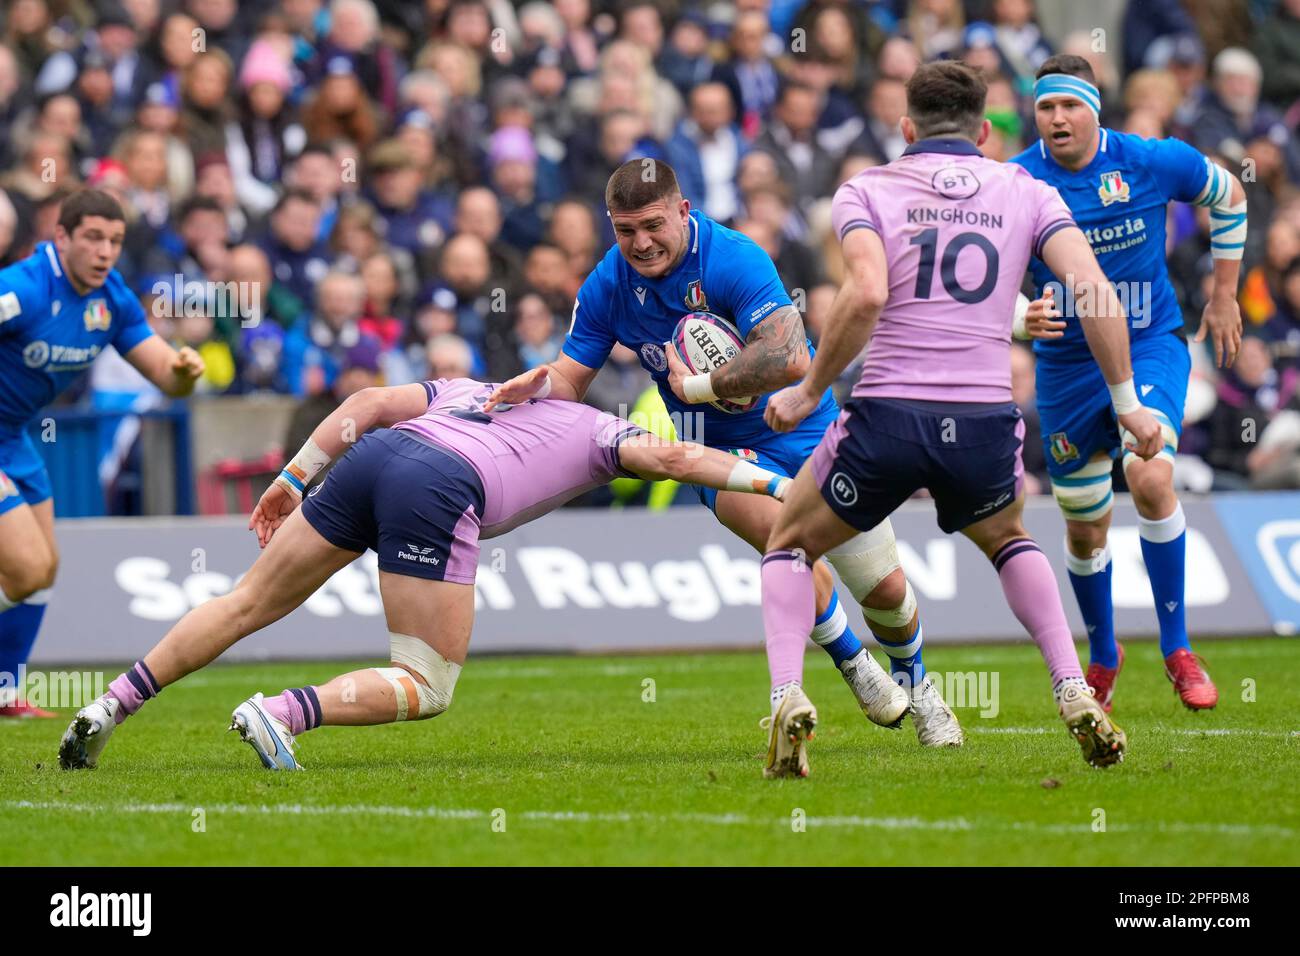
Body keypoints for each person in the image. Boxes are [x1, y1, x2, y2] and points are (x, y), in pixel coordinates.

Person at [758, 61, 1163, 777]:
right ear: (983, 130)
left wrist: (806, 389)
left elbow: (866, 294)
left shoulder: (868, 189)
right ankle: (1071, 688)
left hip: (888, 416)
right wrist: (1128, 405)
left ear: (906, 127)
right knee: (1010, 540)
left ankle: (789, 695)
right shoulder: (1025, 189)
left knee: (790, 542)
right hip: (980, 421)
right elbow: (1095, 292)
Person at [58, 378, 793, 770]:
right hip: (441, 486)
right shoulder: (604, 430)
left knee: (245, 601)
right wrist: (775, 486)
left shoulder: (473, 386)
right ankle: (280, 713)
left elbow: (371, 405)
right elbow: (671, 459)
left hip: (375, 456)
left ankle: (107, 708)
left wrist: (292, 476)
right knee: (426, 682)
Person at [487, 159, 964, 748]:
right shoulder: (608, 284)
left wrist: (699, 388)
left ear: (683, 211)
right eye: (625, 230)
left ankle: (920, 687)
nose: (640, 243)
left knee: (884, 589)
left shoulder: (732, 257)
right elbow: (569, 379)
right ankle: (852, 663)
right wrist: (528, 390)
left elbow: (791, 358)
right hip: (717, 449)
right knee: (783, 542)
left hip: (807, 430)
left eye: (653, 226)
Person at [1011, 54, 1246, 712]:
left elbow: (1230, 194)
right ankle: (1105, 654)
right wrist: (1017, 317)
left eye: (1069, 106)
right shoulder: (1018, 181)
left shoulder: (1149, 160)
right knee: (1085, 528)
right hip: (1064, 367)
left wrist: (1224, 295)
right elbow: (979, 278)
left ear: (1095, 109)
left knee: (1150, 475)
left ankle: (1177, 647)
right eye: (1046, 108)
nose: (1056, 118)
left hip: (1148, 345)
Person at [0, 189, 204, 717]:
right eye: (92, 237)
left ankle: (3, 691)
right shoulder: (23, 288)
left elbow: (164, 373)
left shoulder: (111, 298)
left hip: (14, 437)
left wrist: (182, 373)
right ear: (61, 237)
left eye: (114, 240)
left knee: (44, 569)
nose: (105, 250)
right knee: (23, 569)